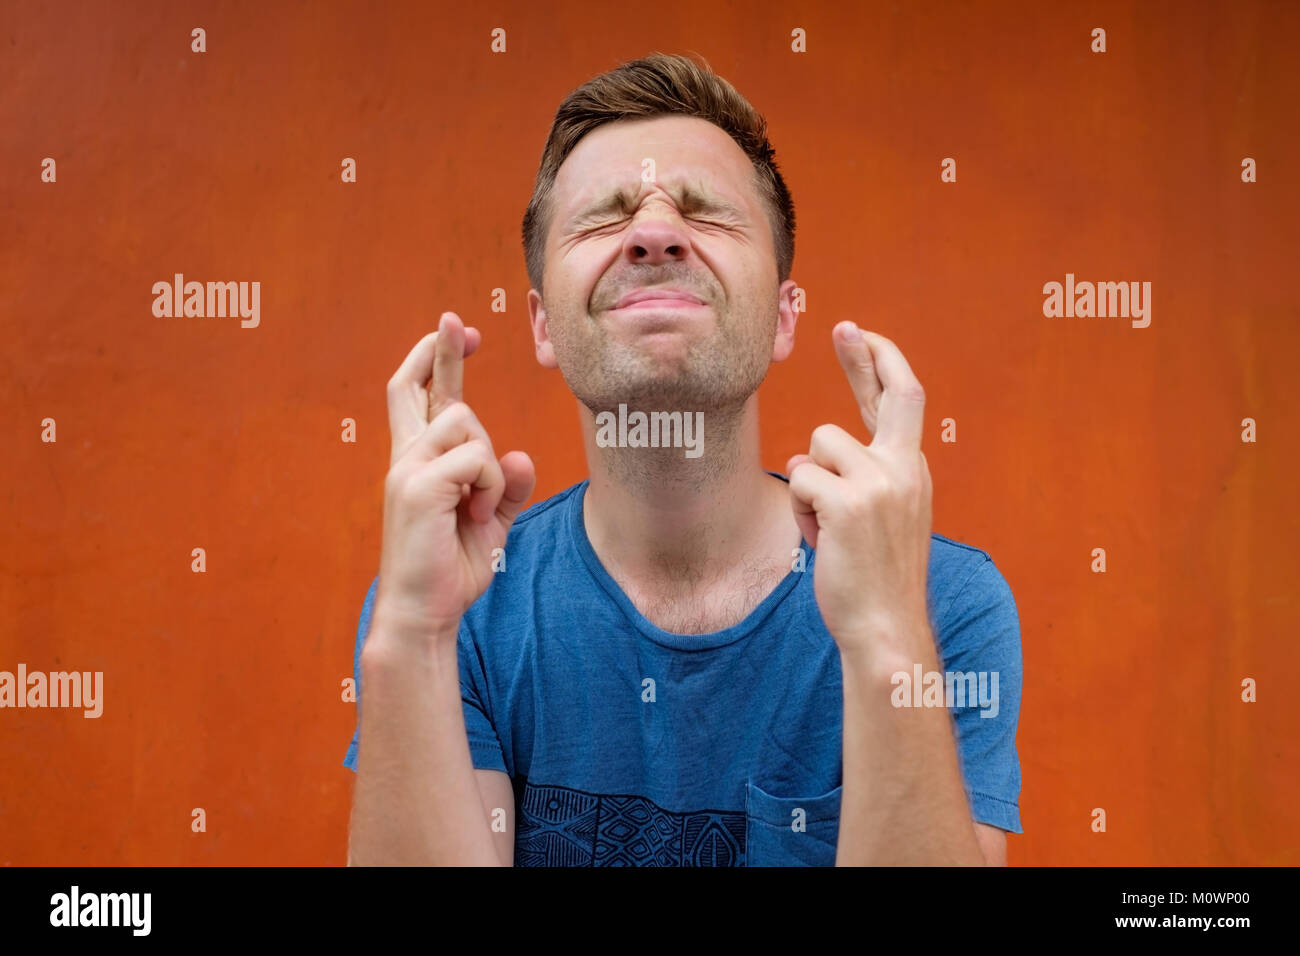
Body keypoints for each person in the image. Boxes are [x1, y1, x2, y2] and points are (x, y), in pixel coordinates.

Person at [343, 52, 1022, 866]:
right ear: (543, 326)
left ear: (781, 315)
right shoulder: (457, 608)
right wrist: (413, 633)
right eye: (604, 217)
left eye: (705, 214)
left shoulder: (942, 603)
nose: (655, 234)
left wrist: (884, 633)